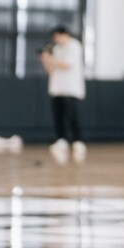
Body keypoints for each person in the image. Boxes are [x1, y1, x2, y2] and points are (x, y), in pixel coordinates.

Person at [39, 25, 87, 164]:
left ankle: (78, 140)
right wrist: (44, 59)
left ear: (63, 34)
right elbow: (50, 70)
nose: (55, 39)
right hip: (56, 87)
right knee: (58, 115)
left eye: (56, 36)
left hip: (70, 88)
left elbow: (66, 65)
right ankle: (62, 139)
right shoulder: (56, 49)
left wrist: (50, 59)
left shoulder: (74, 46)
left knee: (72, 115)